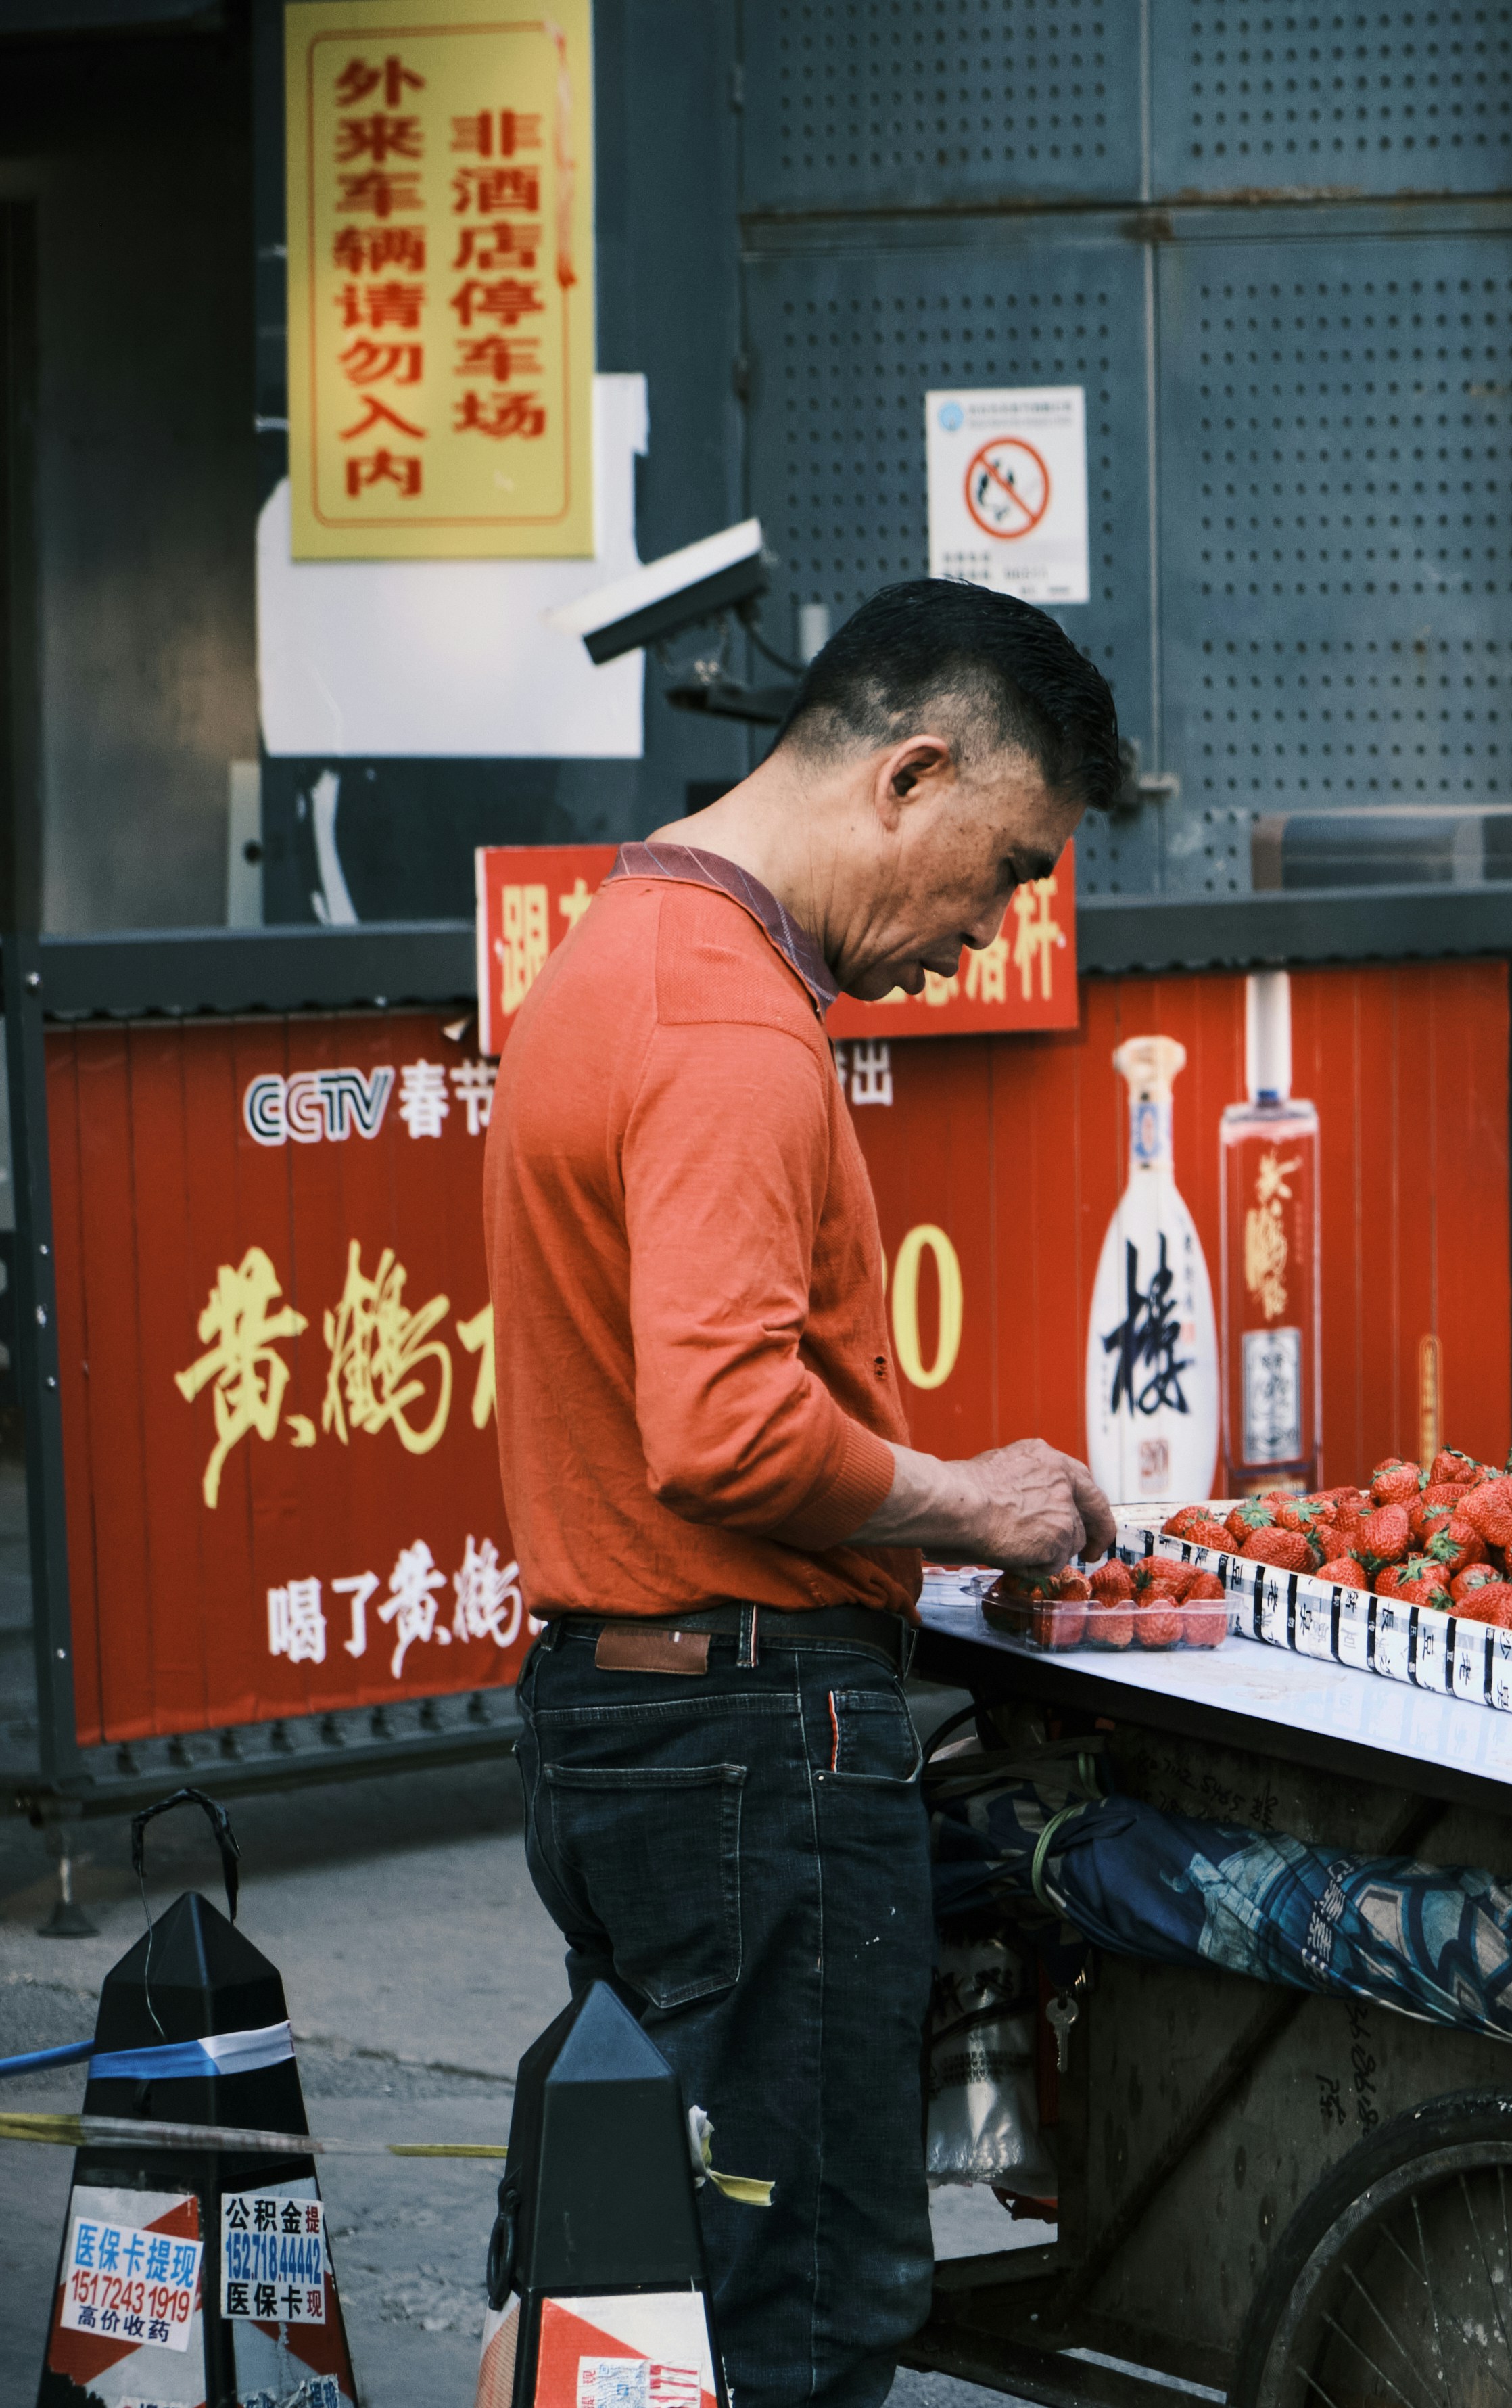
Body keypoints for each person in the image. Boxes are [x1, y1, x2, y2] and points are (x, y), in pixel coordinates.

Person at [489, 579, 1124, 2408]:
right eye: (1003, 869)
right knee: (800, 2298)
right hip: (748, 1744)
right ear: (909, 775)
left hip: (634, 1719)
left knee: (633, 2266)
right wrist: (967, 1503)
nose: (984, 932)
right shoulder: (732, 1028)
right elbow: (728, 1430)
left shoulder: (624, 950)